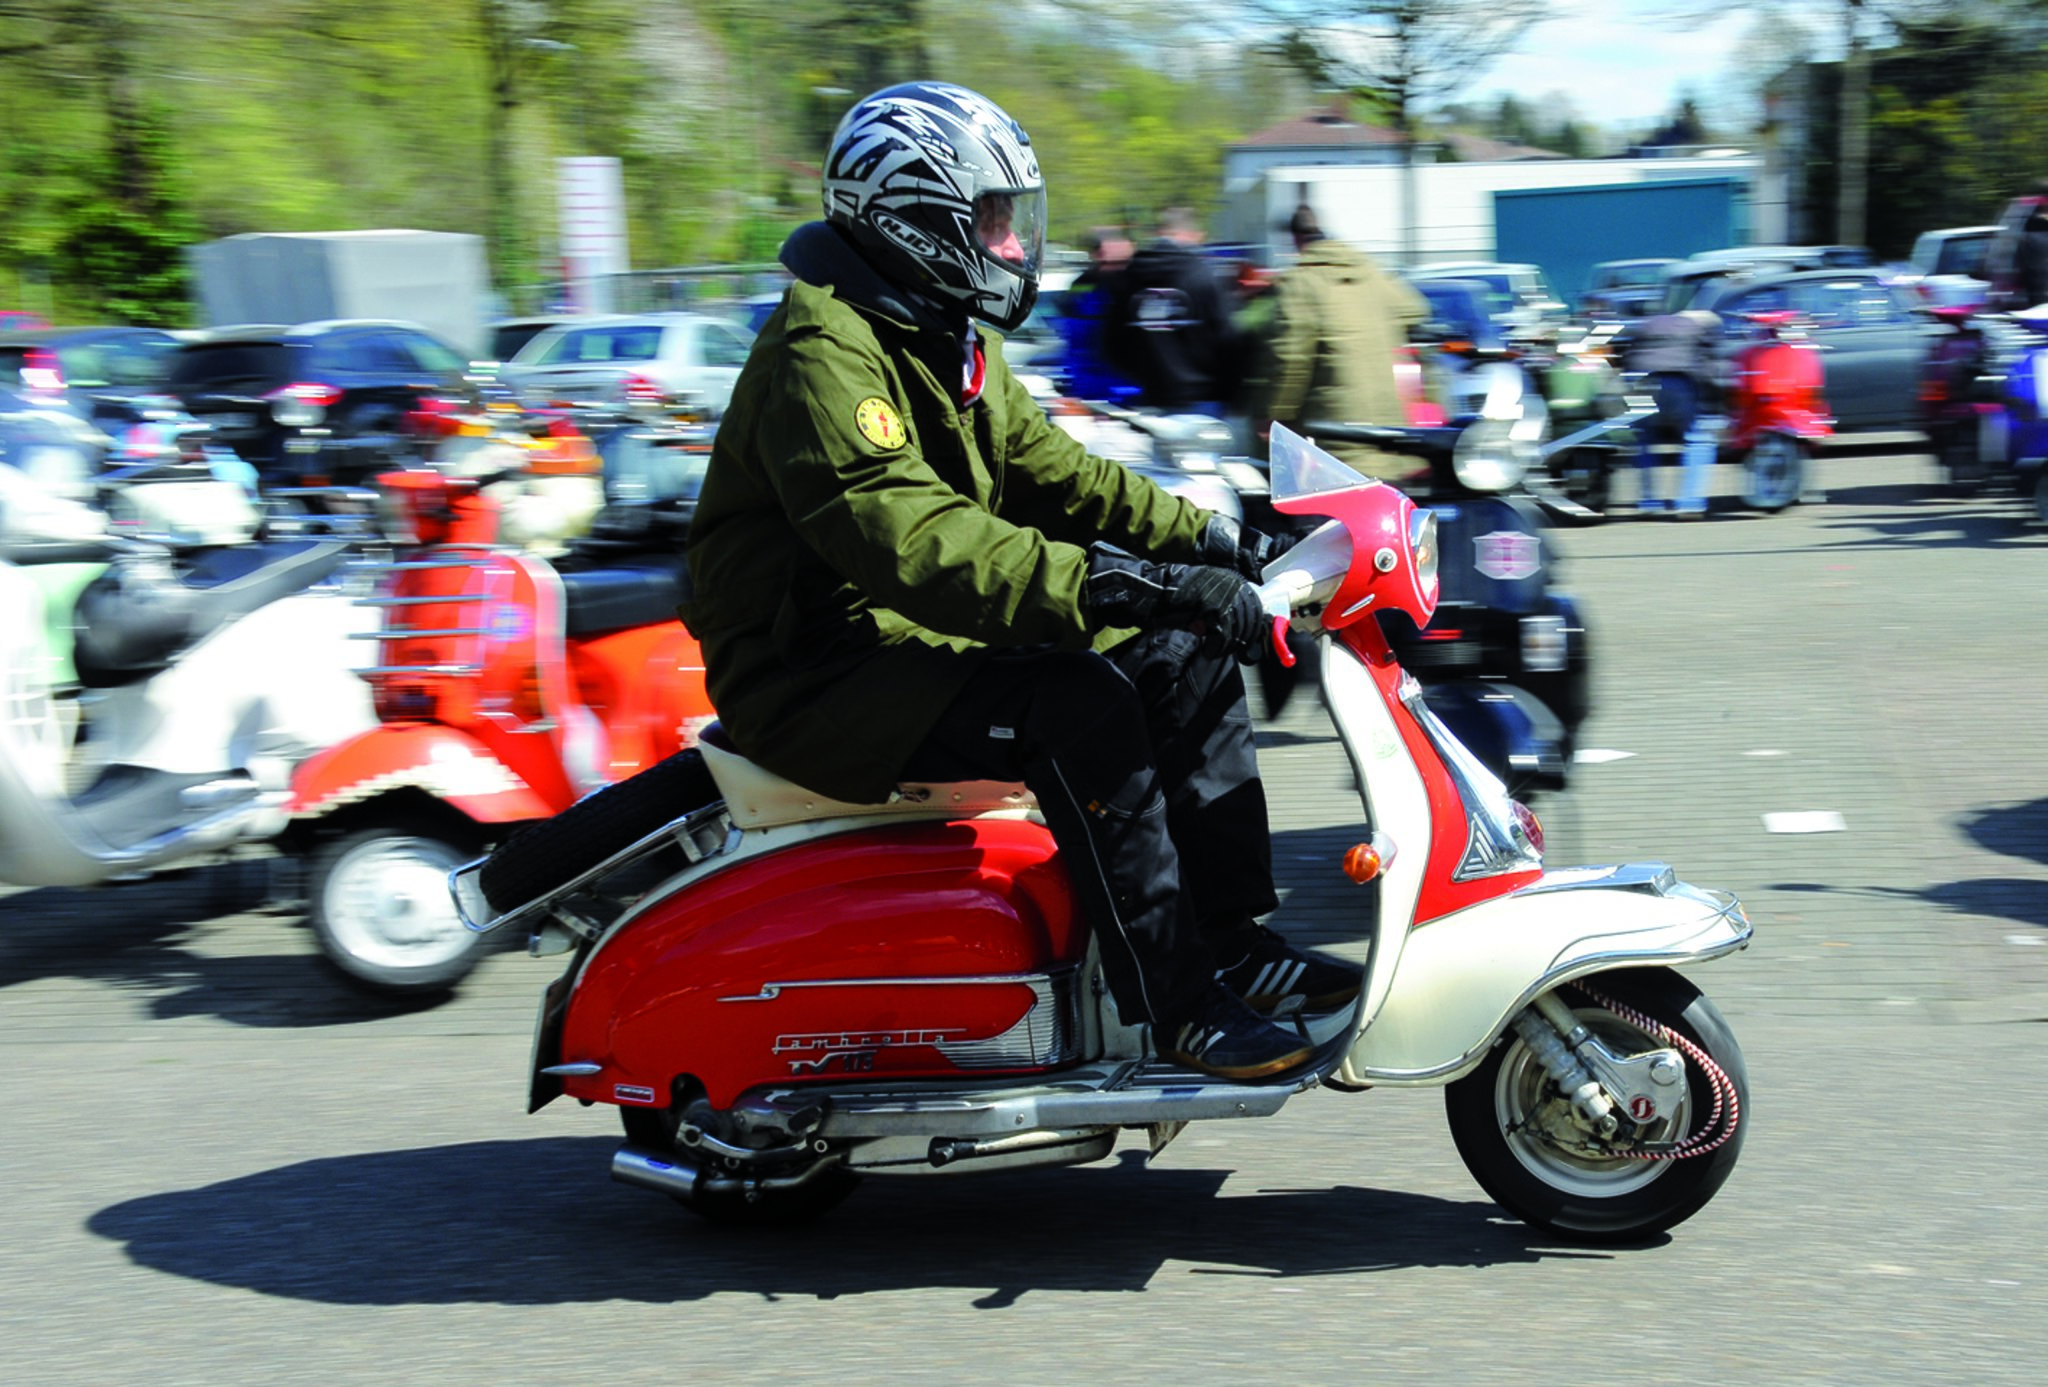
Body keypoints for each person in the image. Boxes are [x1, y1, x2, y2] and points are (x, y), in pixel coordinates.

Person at [679, 82, 1358, 1083]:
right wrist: (1126, 586)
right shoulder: (824, 352)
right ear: (913, 221)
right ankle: (1175, 1003)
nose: (1011, 244)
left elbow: (1056, 474)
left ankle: (1231, 944)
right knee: (1079, 702)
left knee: (1183, 654)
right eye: (991, 220)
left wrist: (1217, 535)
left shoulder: (942, 329)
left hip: (908, 641)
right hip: (814, 672)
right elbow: (914, 539)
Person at [1251, 203, 1427, 481]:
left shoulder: (1301, 282)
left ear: (1295, 240)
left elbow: (1291, 359)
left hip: (1337, 441)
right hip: (1389, 435)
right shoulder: (1370, 273)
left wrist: (1275, 416)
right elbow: (1415, 308)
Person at [1104, 206, 1246, 414]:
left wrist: (1143, 376)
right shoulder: (1204, 276)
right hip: (1203, 402)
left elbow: (1111, 343)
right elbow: (1228, 342)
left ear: (1160, 232)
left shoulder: (1129, 278)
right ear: (1191, 234)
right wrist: (1230, 394)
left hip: (1148, 401)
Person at [1619, 307, 1723, 518]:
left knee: (1643, 441)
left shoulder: (1650, 324)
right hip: (1679, 384)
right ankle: (1690, 503)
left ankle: (1649, 501)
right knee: (1698, 439)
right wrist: (1714, 397)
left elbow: (1628, 356)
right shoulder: (1697, 329)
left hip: (1644, 383)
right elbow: (1706, 368)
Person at [1055, 226, 1139, 402]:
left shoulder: (1136, 284)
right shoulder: (1083, 288)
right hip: (1095, 392)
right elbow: (1077, 339)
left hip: (1130, 391)